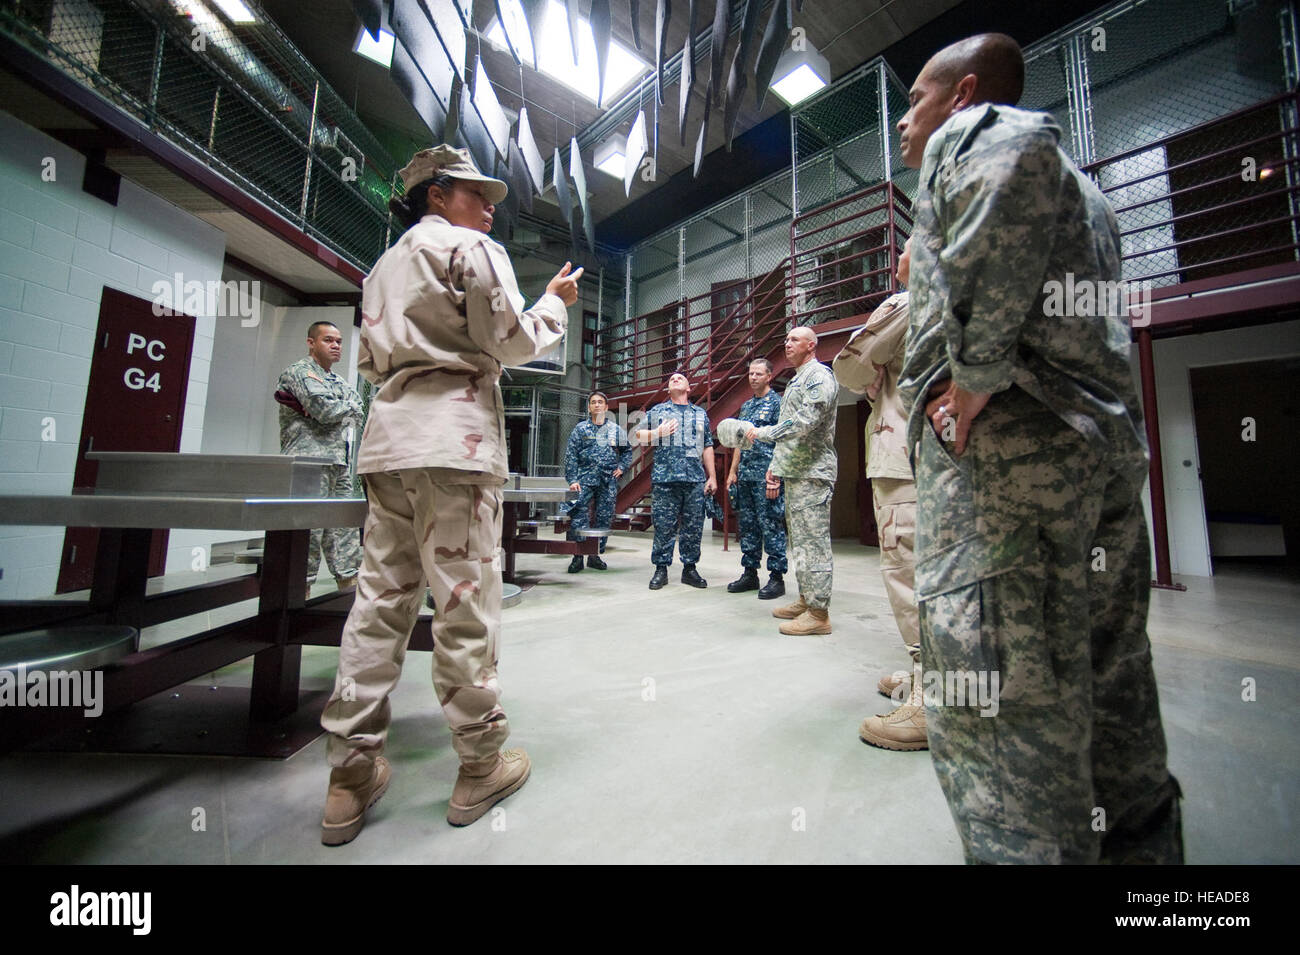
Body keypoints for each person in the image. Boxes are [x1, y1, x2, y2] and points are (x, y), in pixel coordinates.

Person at [897, 33, 1182, 863]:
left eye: (916, 100)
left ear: (964, 92)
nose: (906, 124)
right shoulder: (1093, 198)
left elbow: (1012, 147)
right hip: (1095, 459)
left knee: (1001, 721)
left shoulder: (983, 131)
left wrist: (976, 370)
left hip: (1008, 471)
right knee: (1111, 689)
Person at [318, 145, 582, 844]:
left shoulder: (379, 270)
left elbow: (372, 360)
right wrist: (552, 305)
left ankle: (348, 774)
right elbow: (512, 340)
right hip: (454, 444)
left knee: (378, 605)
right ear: (436, 195)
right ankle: (478, 764)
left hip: (389, 441)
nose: (490, 205)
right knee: (463, 602)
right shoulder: (470, 247)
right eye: (474, 191)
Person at [832, 238, 926, 749]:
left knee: (911, 571)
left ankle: (935, 700)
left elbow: (848, 368)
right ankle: (935, 678)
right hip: (933, 458)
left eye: (907, 249)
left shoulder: (908, 302)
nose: (897, 259)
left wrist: (877, 370)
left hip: (907, 460)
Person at [745, 327, 838, 635]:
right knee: (799, 542)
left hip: (813, 473)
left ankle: (819, 613)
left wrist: (765, 433)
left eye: (794, 339)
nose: (787, 343)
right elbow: (792, 436)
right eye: (785, 339)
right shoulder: (798, 379)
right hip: (796, 471)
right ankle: (806, 598)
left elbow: (805, 422)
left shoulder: (818, 376)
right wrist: (776, 465)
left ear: (811, 345)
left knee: (814, 543)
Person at [275, 321, 363, 599]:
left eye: (338, 341)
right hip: (307, 465)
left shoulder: (338, 381)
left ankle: (348, 608)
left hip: (338, 463)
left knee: (344, 533)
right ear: (311, 342)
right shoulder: (299, 372)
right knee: (307, 534)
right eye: (328, 340)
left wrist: (340, 408)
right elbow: (324, 410)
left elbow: (357, 412)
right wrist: (340, 408)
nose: (336, 345)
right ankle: (297, 605)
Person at [634, 372, 717, 590]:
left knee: (693, 527)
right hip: (665, 478)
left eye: (680, 378)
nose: (675, 379)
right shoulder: (659, 411)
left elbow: (707, 445)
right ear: (668, 389)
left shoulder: (699, 414)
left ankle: (689, 569)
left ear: (689, 388)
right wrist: (657, 432)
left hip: (694, 479)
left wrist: (712, 476)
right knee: (663, 526)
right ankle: (661, 569)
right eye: (671, 379)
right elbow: (638, 435)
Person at [725, 359, 787, 599]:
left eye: (758, 374)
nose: (753, 378)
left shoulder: (777, 404)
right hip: (746, 476)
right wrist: (733, 471)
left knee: (771, 525)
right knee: (748, 526)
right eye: (751, 374)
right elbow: (740, 442)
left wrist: (777, 475)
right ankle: (750, 573)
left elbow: (784, 441)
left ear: (769, 376)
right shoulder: (747, 406)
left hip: (767, 475)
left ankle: (776, 578)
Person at [563, 391, 633, 572]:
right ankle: (577, 555)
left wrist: (622, 468)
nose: (596, 405)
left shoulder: (615, 430)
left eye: (600, 402)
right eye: (593, 402)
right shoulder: (580, 429)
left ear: (606, 407)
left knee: (604, 517)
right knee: (579, 516)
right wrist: (572, 479)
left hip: (607, 481)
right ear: (589, 407)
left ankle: (594, 555)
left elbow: (627, 451)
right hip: (584, 480)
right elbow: (571, 455)